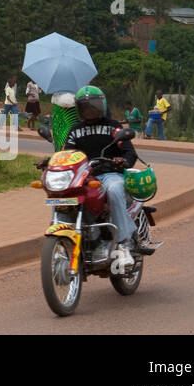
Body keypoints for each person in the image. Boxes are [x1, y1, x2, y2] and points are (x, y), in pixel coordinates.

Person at [56, 85, 152, 257]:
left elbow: (130, 153)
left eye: (93, 105)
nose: (89, 110)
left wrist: (122, 161)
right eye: (85, 107)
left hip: (109, 175)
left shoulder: (114, 128)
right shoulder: (74, 130)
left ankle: (125, 241)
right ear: (79, 109)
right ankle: (64, 239)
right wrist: (50, 162)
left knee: (114, 189)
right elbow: (66, 153)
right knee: (61, 195)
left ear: (102, 105)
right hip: (83, 178)